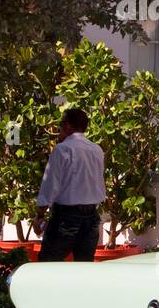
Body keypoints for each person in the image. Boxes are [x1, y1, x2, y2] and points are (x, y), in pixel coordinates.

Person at [34, 108, 106, 262]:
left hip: (66, 216)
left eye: (61, 124)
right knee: (84, 266)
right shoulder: (97, 150)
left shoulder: (62, 149)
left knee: (49, 263)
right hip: (91, 217)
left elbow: (50, 184)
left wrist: (40, 215)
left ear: (67, 126)